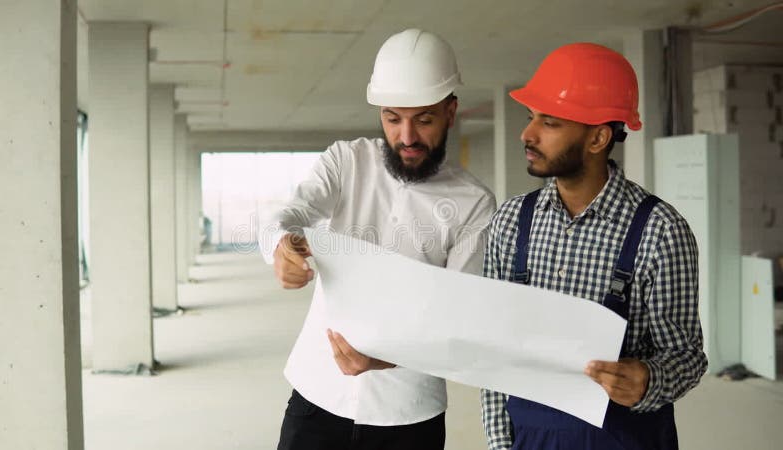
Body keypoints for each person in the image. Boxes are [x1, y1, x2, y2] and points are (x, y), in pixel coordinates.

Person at [262, 28, 496, 450]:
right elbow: (291, 213)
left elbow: (459, 319)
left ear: (451, 111)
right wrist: (282, 243)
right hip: (316, 397)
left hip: (408, 414)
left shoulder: (474, 203)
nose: (406, 136)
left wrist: (389, 357)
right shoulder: (346, 161)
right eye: (392, 118)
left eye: (423, 119)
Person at [480, 43, 707, 450]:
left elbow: (686, 355)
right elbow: (495, 349)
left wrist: (648, 380)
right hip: (528, 438)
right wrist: (500, 441)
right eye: (531, 118)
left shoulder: (660, 231)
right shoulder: (512, 221)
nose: (527, 134)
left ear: (598, 137)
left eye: (549, 123)